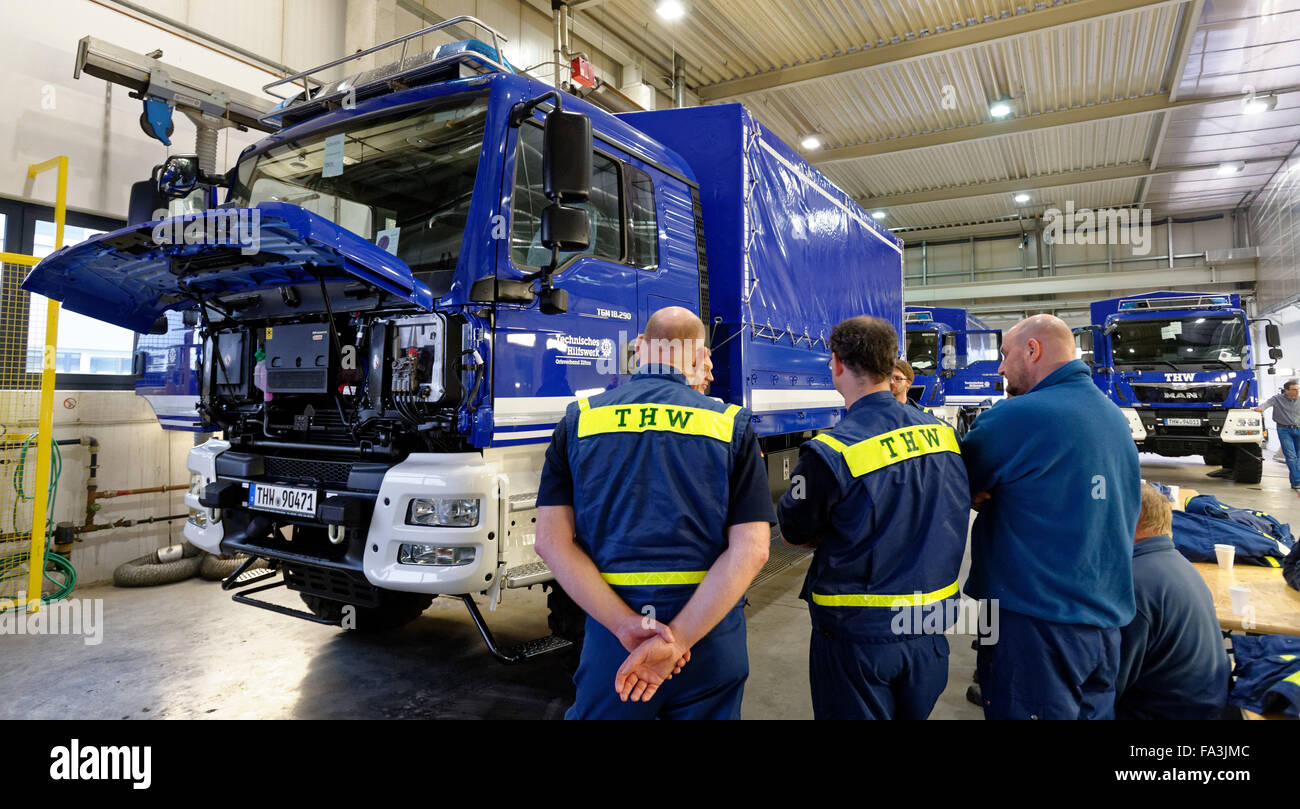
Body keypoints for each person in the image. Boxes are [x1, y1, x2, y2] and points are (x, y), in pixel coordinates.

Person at [535, 306, 774, 719]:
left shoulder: (580, 421)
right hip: (709, 635)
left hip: (617, 638)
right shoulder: (731, 425)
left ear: (641, 348)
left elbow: (550, 542)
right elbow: (752, 551)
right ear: (699, 358)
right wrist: (678, 640)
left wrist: (626, 625)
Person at [777, 316, 970, 719]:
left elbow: (794, 534)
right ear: (891, 366)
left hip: (859, 635)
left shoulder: (828, 452)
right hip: (929, 628)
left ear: (835, 364)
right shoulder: (944, 436)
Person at [962, 314, 1139, 720]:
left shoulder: (1016, 417)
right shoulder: (1112, 416)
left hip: (1034, 627)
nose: (1002, 368)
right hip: (1104, 626)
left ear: (1033, 349)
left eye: (1005, 355)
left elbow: (954, 486)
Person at [1115, 484, 1230, 720]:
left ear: (1130, 519)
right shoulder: (1178, 565)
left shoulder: (1134, 585)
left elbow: (1106, 685)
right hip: (1204, 707)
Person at [1257, 379, 1300, 490]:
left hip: (1299, 429)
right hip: (1284, 430)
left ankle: (1295, 480)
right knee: (1291, 456)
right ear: (1286, 390)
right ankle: (1297, 481)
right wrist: (1259, 409)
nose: (1297, 391)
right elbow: (1265, 404)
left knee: (1298, 458)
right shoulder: (1277, 399)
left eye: (1297, 389)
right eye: (1294, 389)